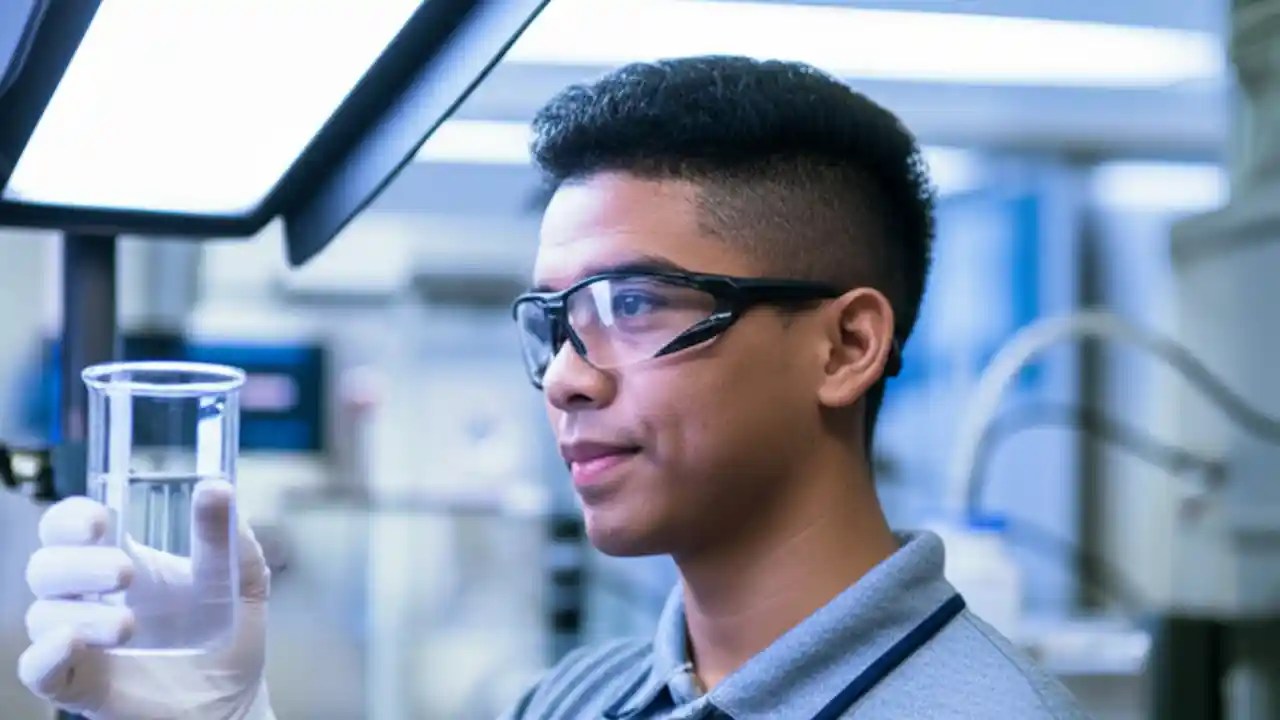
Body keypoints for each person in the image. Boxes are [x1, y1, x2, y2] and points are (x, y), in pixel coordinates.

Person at [18, 56, 1090, 719]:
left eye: (632, 305)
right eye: (553, 321)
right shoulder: (580, 698)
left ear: (845, 346)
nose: (568, 379)